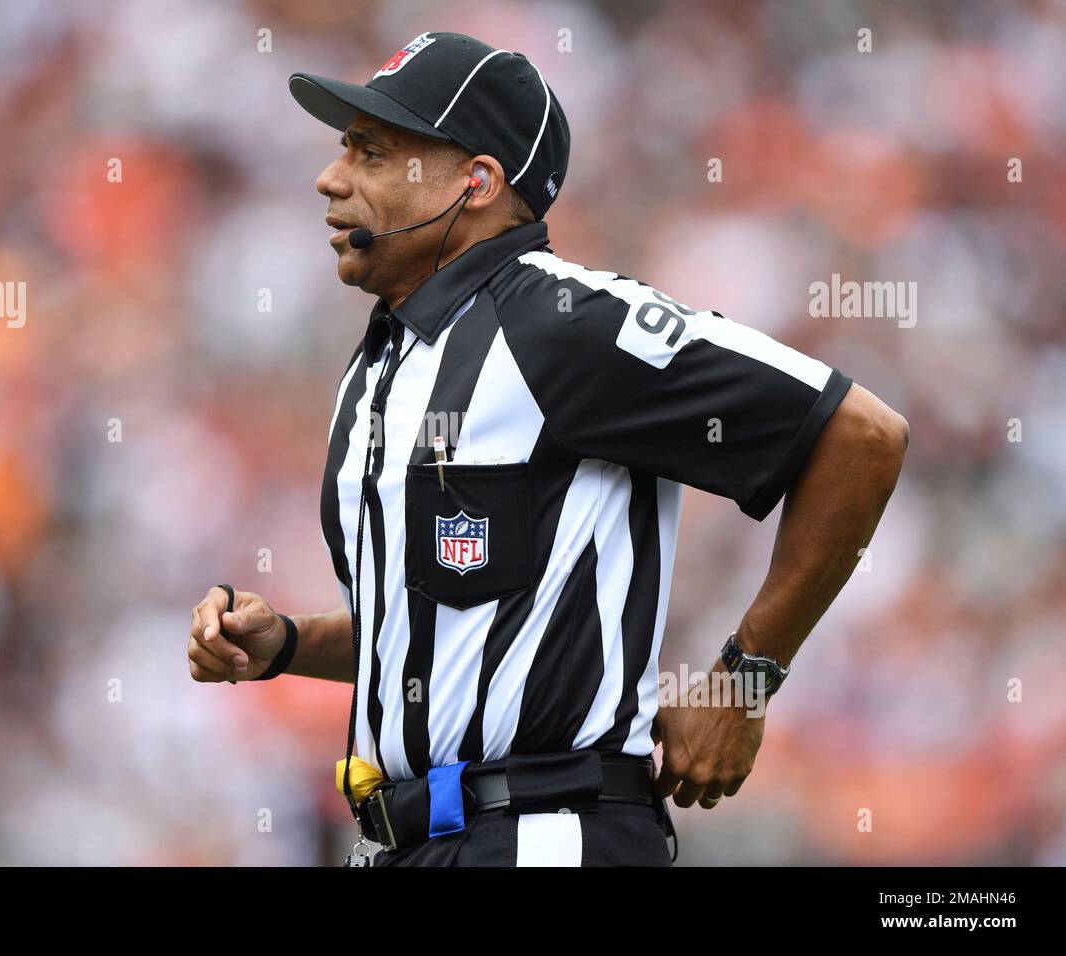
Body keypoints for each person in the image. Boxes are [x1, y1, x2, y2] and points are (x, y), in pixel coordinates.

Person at [188, 31, 909, 866]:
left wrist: (743, 682)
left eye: (374, 152)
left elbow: (861, 435)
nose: (331, 177)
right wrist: (282, 644)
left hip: (547, 833)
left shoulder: (564, 323)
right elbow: (448, 631)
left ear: (478, 181)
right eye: (346, 147)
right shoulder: (380, 366)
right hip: (412, 842)